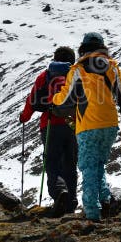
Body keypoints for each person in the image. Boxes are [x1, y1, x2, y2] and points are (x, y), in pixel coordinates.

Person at [51, 33, 121, 221]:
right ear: (102, 47)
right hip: (110, 124)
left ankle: (93, 213)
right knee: (99, 165)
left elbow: (65, 97)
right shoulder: (112, 66)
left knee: (88, 167)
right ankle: (105, 202)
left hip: (87, 124)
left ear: (83, 48)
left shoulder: (78, 69)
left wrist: (54, 99)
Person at [19, 46, 78, 216]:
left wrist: (25, 116)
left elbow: (32, 100)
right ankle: (71, 201)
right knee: (70, 164)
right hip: (73, 125)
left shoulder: (45, 76)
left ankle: (60, 192)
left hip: (50, 124)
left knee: (52, 163)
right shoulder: (75, 74)